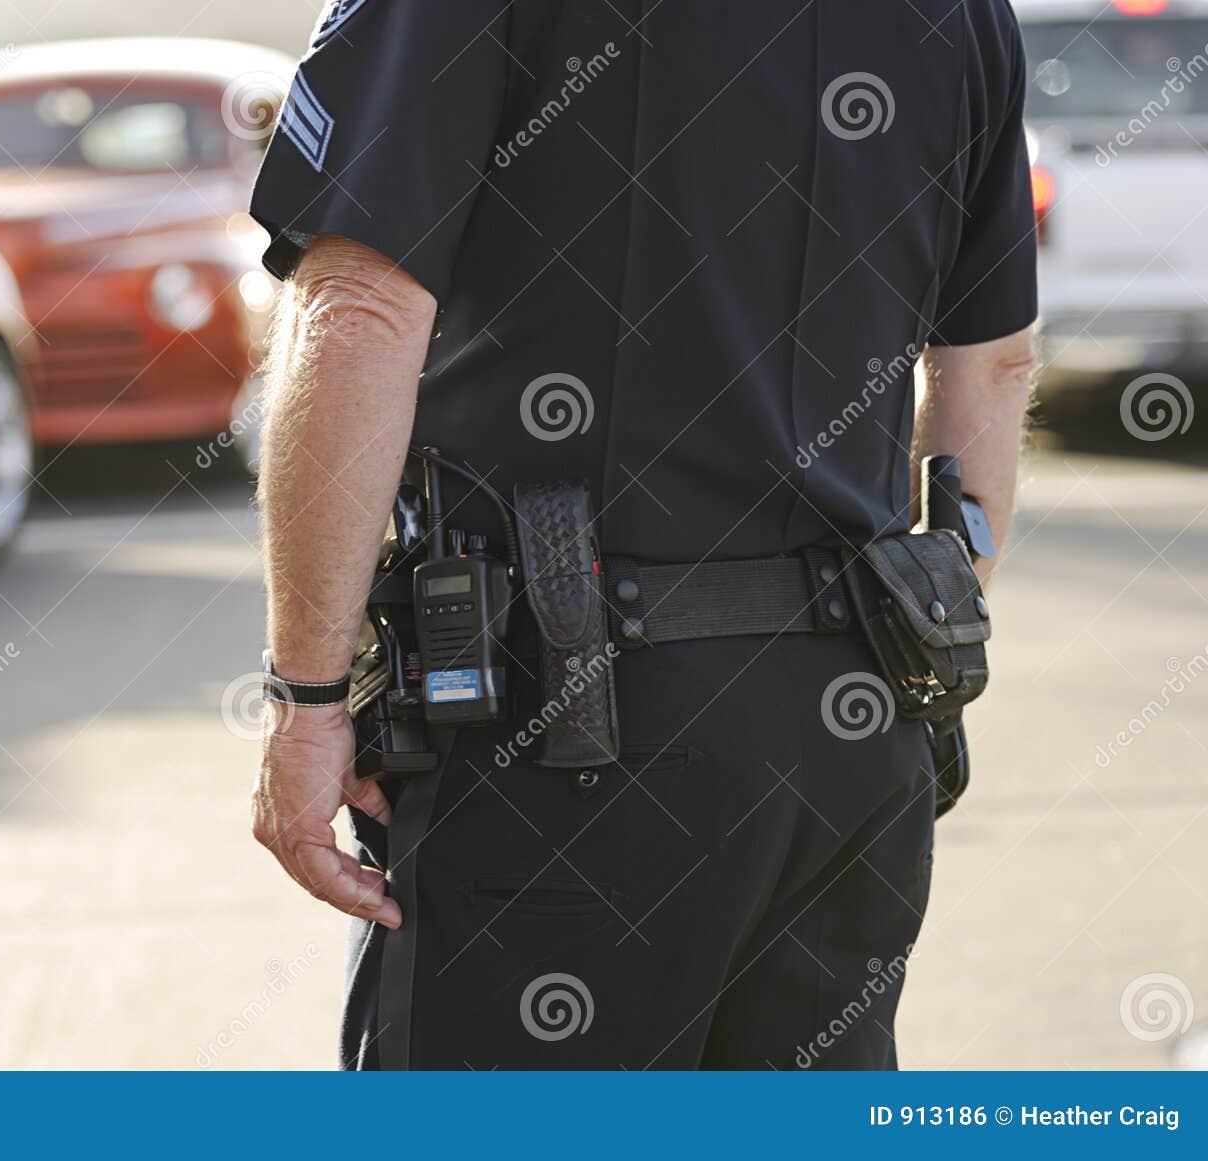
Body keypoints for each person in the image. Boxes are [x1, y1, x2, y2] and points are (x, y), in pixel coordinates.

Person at [249, 0, 1037, 1069]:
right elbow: (989, 363)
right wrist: (929, 640)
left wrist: (306, 698)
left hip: (563, 746)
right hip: (849, 733)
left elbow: (360, 314)